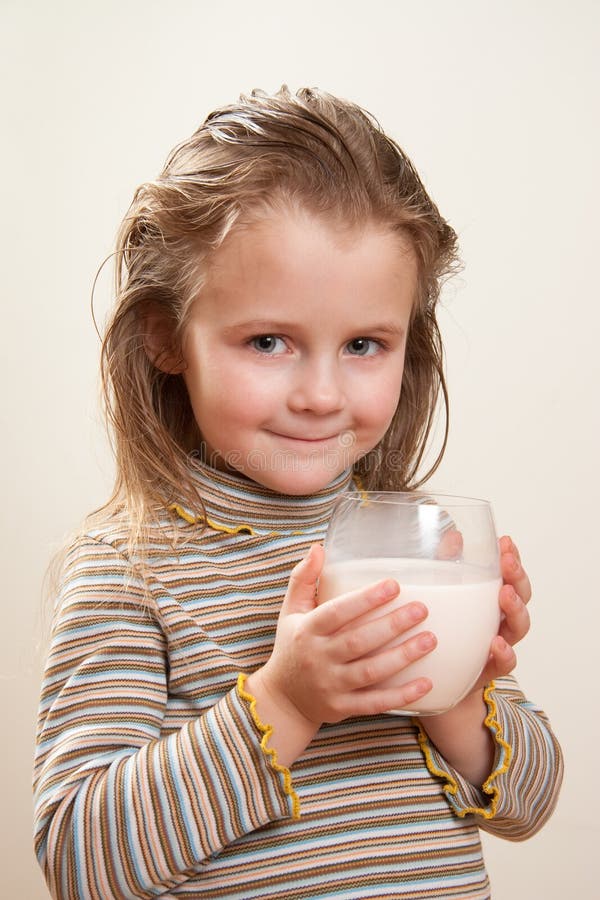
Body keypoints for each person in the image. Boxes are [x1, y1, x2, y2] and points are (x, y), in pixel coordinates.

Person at [33, 86, 563, 900]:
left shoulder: (416, 543)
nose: (320, 393)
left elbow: (528, 806)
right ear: (166, 337)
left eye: (362, 344)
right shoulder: (126, 567)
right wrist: (287, 699)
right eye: (269, 341)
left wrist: (459, 690)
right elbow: (79, 860)